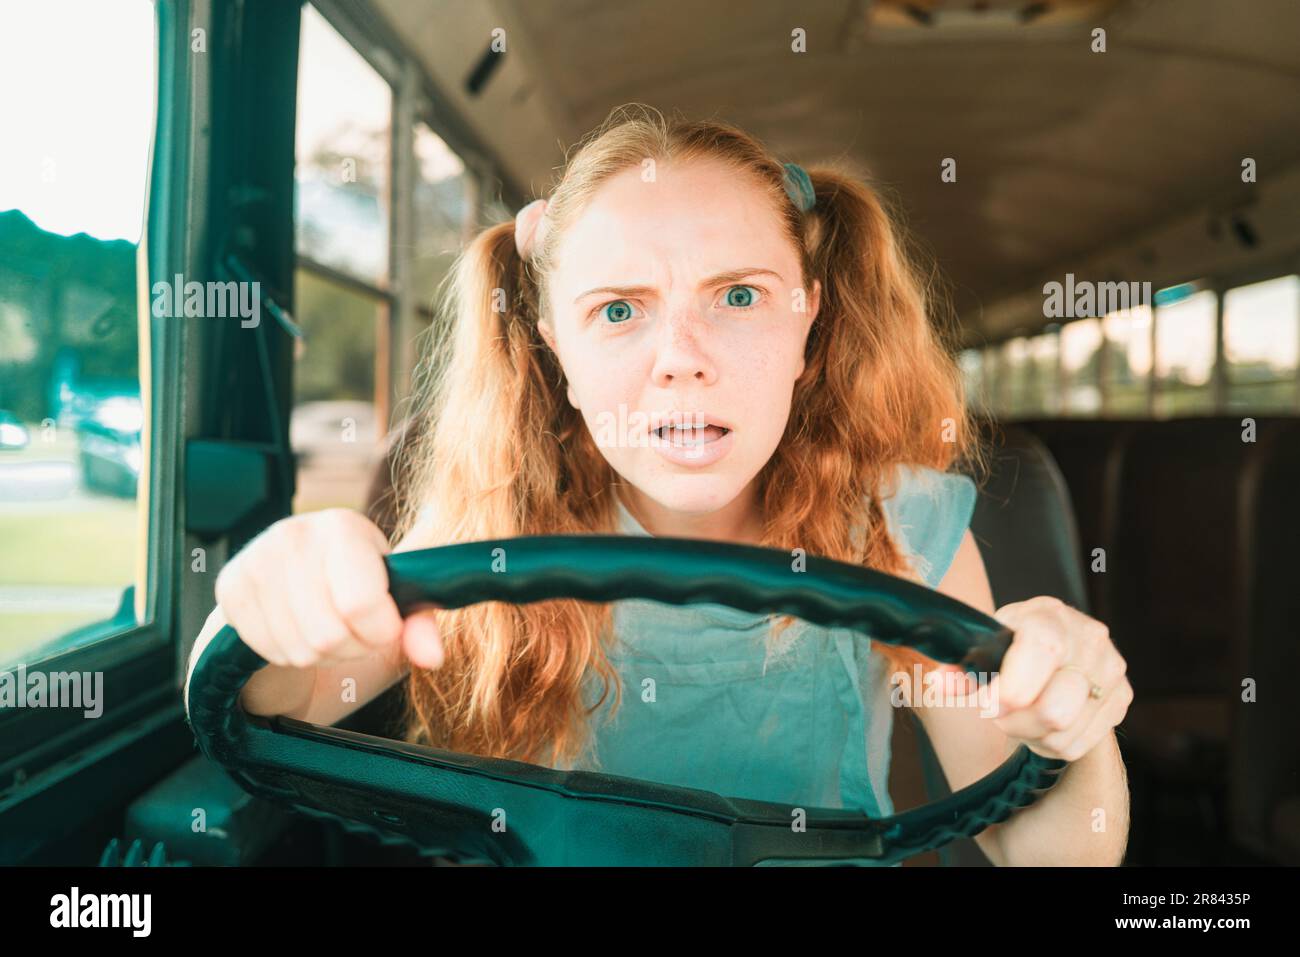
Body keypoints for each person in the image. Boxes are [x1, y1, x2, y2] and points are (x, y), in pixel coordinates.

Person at [184, 104, 1131, 866]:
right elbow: (286, 701)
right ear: (555, 345)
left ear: (809, 320)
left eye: (740, 295)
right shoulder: (490, 528)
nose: (681, 359)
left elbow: (1052, 849)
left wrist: (1069, 723)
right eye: (620, 309)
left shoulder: (899, 524)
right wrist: (283, 594)